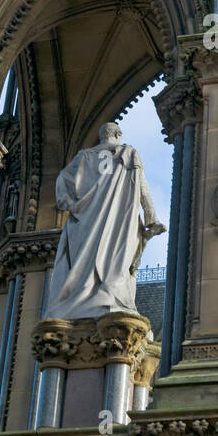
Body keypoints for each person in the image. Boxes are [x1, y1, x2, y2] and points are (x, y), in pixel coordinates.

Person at [46, 122, 165, 320]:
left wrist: (70, 203)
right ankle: (111, 296)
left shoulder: (84, 156)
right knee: (116, 264)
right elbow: (142, 187)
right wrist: (152, 218)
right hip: (119, 223)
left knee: (84, 264)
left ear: (102, 137)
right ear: (117, 134)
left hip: (85, 222)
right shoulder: (128, 153)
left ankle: (83, 299)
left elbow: (62, 180)